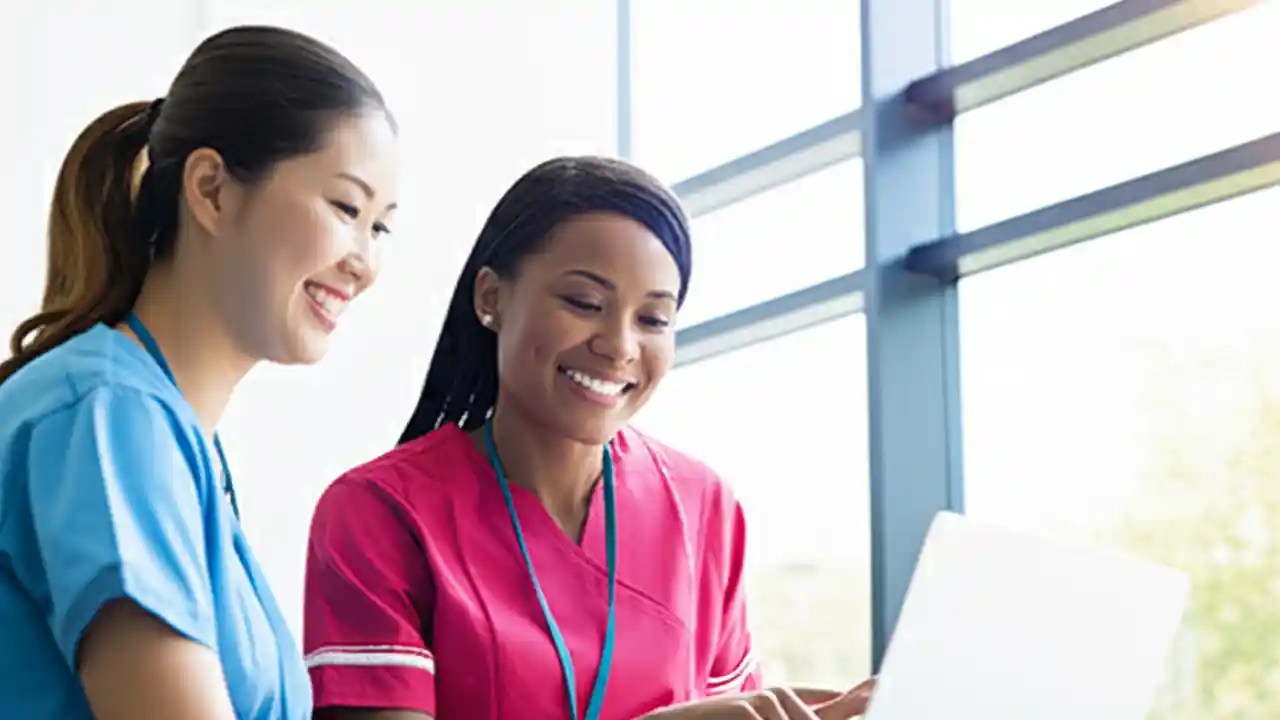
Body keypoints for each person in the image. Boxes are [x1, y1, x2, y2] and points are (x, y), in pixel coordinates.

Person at [302, 156, 873, 719]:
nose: (620, 346)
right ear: (491, 298)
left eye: (653, 320)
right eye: (585, 303)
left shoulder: (705, 508)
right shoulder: (380, 513)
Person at [0, 25, 399, 720]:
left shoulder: (168, 435)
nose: (364, 264)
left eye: (381, 227)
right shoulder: (107, 415)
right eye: (345, 208)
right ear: (211, 190)